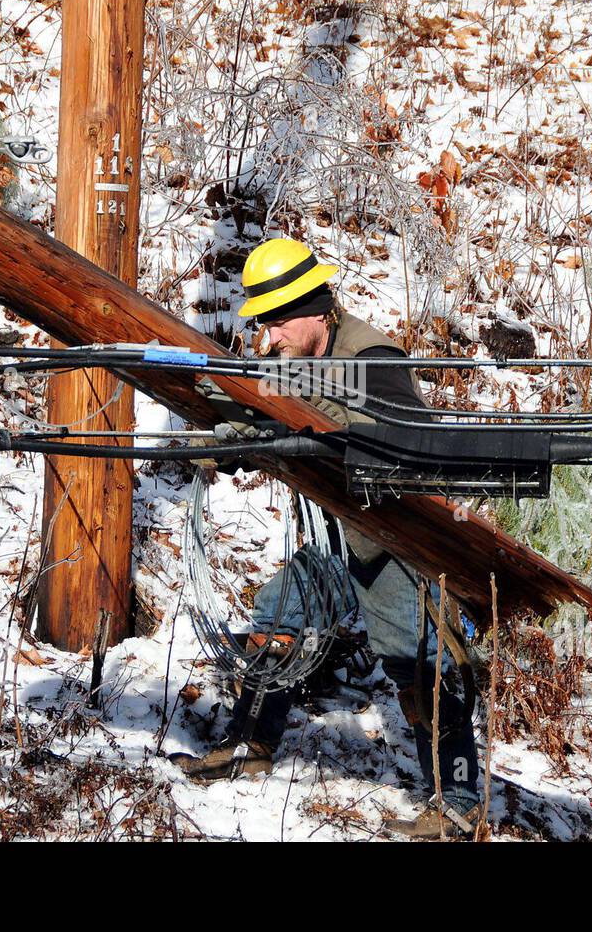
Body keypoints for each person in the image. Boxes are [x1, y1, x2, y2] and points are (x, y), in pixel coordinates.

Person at [169, 238, 482, 839]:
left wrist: (307, 433)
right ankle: (250, 745)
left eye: (280, 320)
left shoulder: (375, 359)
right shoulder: (293, 356)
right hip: (342, 536)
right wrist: (233, 444)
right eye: (263, 323)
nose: (270, 337)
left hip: (394, 536)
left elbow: (403, 447)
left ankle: (459, 799)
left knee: (418, 658)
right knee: (279, 612)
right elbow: (272, 413)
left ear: (318, 308)